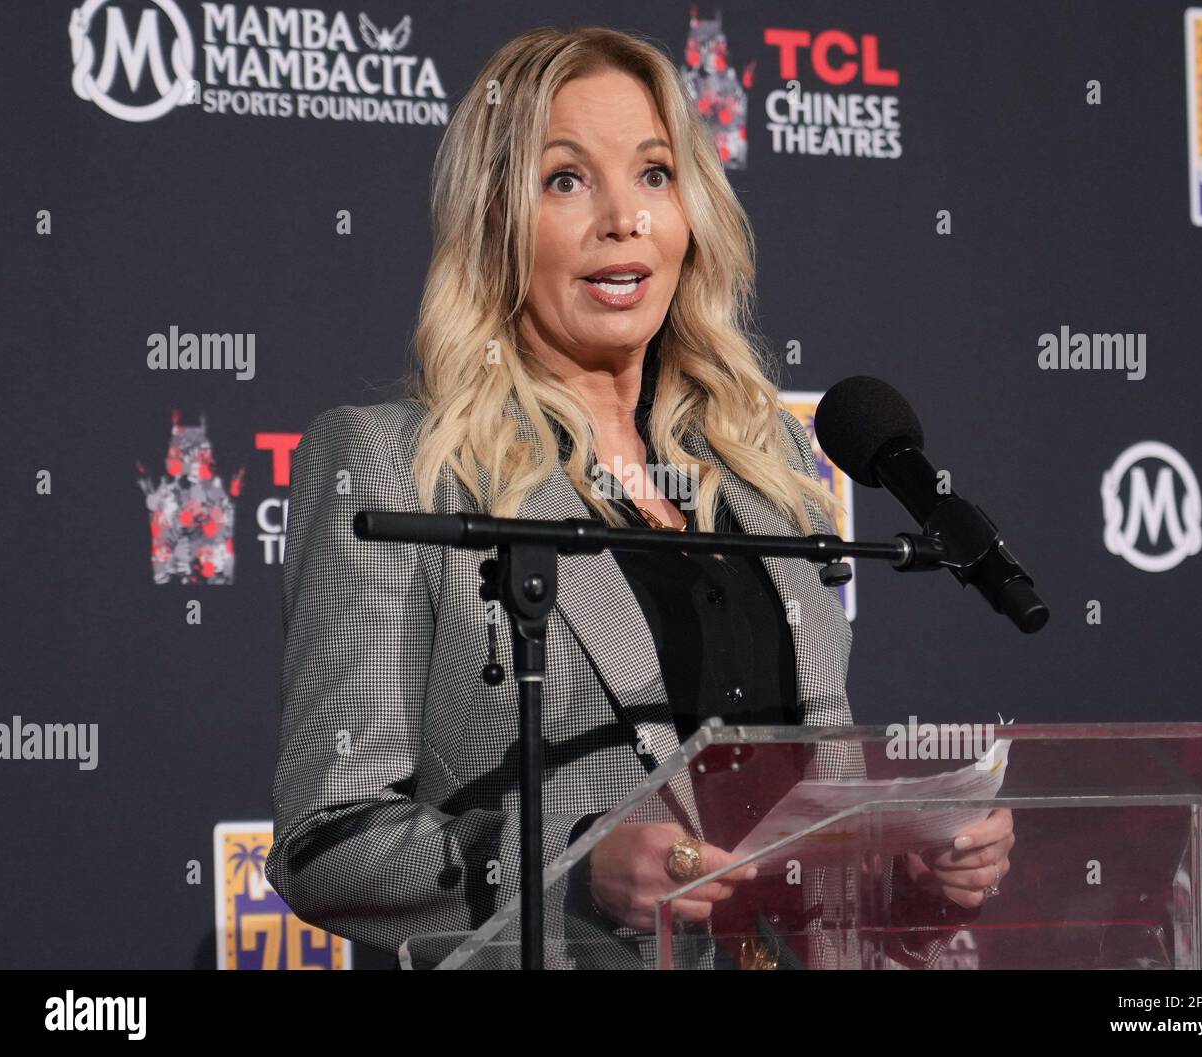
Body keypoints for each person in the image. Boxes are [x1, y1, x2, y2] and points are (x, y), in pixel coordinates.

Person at [264, 25, 1013, 970]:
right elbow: (327, 842)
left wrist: (908, 873)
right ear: (494, 221)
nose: (625, 218)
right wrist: (573, 869)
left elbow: (800, 816)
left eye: (655, 174)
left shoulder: (764, 459)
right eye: (566, 180)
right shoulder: (391, 465)